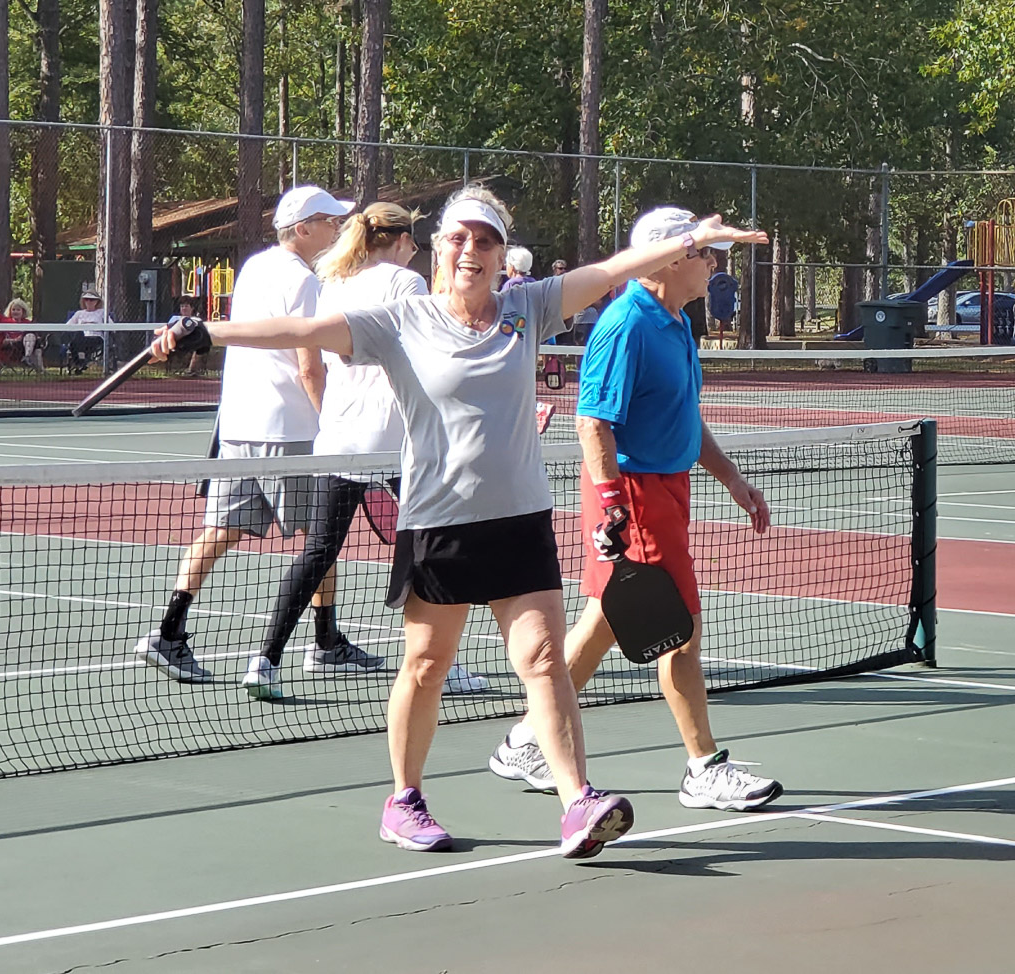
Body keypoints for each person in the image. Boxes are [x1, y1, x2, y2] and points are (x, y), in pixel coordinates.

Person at [151, 188, 767, 858]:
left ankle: (576, 802)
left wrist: (687, 239)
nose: (470, 250)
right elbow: (303, 333)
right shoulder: (400, 319)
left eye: (486, 241)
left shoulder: (527, 309)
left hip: (520, 520)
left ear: (503, 256)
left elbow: (616, 270)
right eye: (458, 238)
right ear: (440, 248)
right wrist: (208, 331)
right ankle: (404, 800)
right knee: (425, 664)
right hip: (439, 522)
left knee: (542, 662)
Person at [489, 206, 783, 813]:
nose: (715, 265)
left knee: (603, 624)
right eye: (707, 254)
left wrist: (733, 480)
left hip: (667, 491)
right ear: (671, 259)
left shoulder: (675, 321)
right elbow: (593, 420)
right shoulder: (625, 324)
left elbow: (683, 417)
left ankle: (523, 740)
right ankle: (704, 768)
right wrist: (613, 503)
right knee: (678, 631)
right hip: (633, 494)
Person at [241, 201, 491, 699]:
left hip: (339, 438)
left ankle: (264, 662)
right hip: (397, 444)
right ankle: (438, 665)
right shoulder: (406, 284)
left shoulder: (334, 283)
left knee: (319, 552)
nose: (416, 252)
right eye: (414, 243)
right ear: (398, 241)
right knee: (435, 551)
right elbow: (434, 353)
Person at [133, 184, 353, 682]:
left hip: (238, 426)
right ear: (303, 229)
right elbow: (309, 366)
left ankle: (169, 631)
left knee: (220, 532)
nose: (338, 229)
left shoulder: (254, 266)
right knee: (322, 539)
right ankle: (324, 643)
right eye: (330, 221)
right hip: (290, 429)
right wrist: (332, 422)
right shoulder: (304, 282)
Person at [64, 289, 109, 373]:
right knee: (75, 340)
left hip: (96, 339)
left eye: (91, 300)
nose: (89, 302)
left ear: (97, 301)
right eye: (86, 299)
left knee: (78, 339)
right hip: (80, 339)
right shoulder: (79, 313)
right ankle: (80, 364)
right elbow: (68, 326)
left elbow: (112, 326)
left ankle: (82, 363)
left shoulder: (102, 313)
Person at [168, 296, 208, 375]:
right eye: (182, 306)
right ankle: (176, 371)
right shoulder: (174, 319)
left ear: (192, 308)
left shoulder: (197, 320)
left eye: (186, 306)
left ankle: (192, 371)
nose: (183, 308)